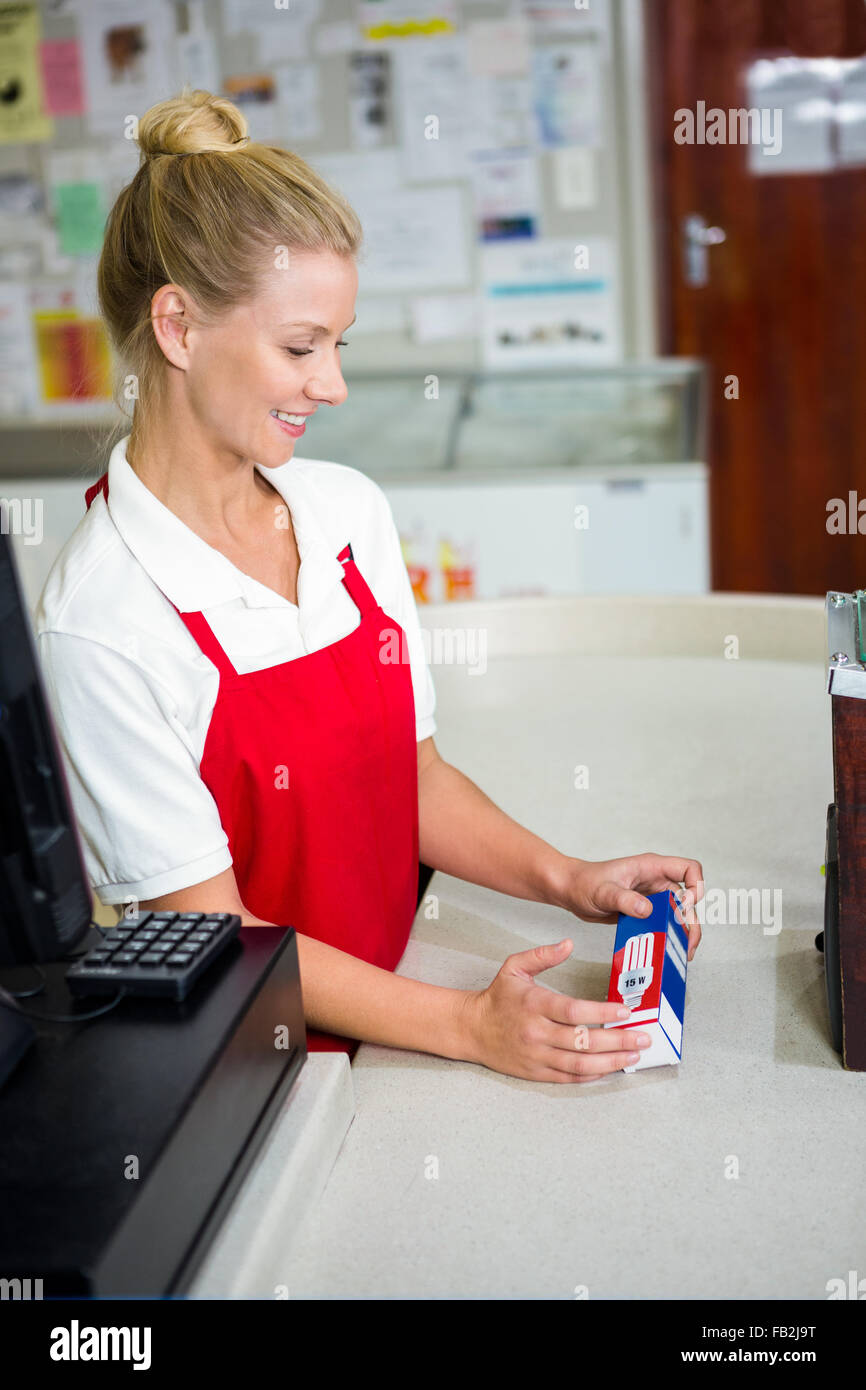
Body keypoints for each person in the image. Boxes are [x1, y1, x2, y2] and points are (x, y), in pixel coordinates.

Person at [35, 87, 703, 1082]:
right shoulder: (101, 620)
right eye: (300, 347)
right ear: (176, 327)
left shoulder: (345, 514)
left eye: (336, 346)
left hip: (414, 996)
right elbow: (221, 937)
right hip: (269, 1075)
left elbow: (413, 777)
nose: (333, 384)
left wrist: (566, 876)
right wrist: (469, 1026)